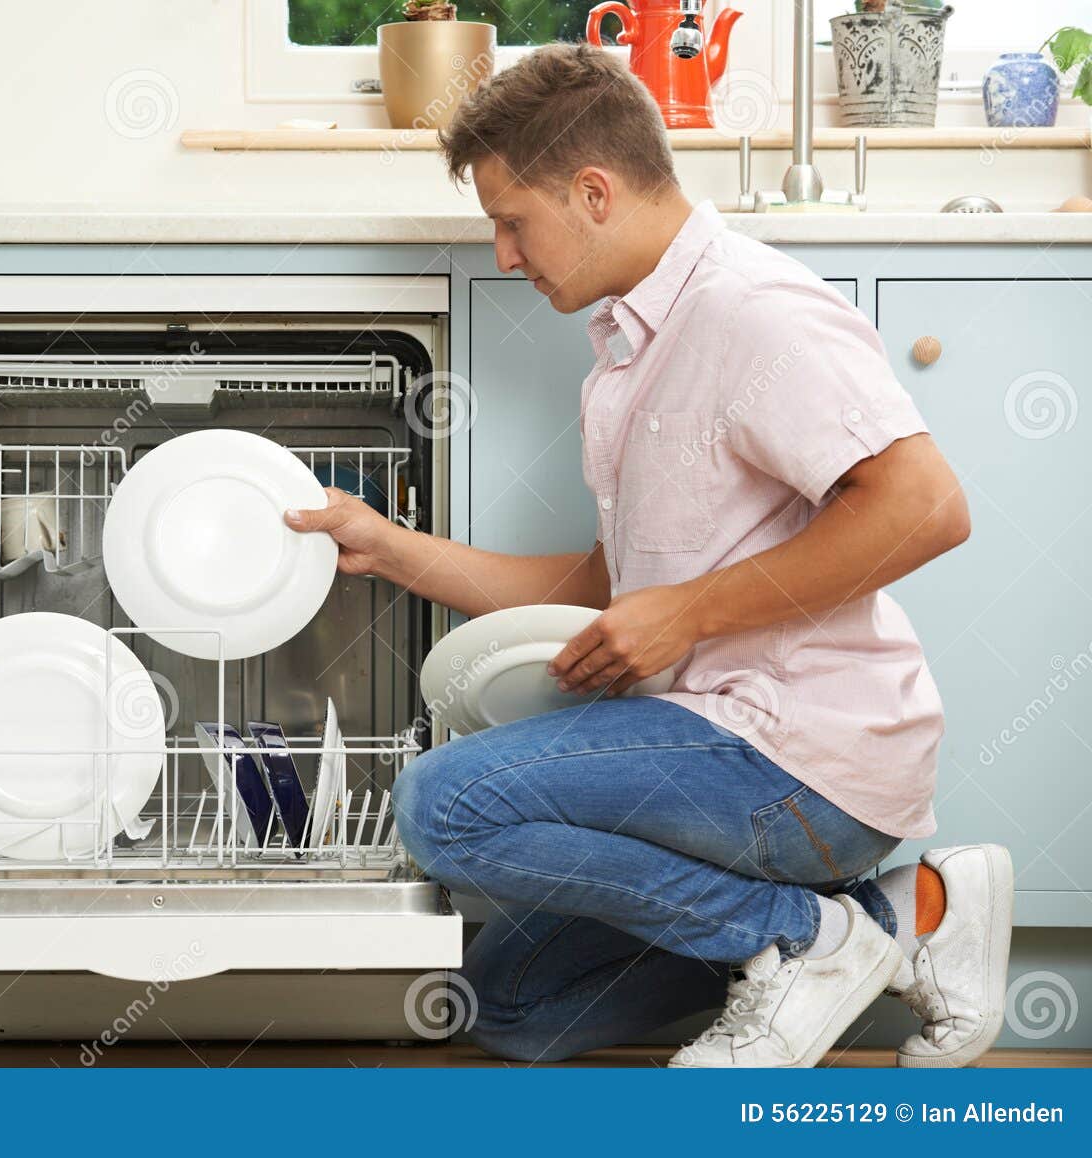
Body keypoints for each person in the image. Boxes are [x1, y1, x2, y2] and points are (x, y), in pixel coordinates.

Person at [283, 43, 1012, 1068]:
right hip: (700, 746)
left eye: (510, 221)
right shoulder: (627, 354)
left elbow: (927, 508)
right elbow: (603, 589)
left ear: (591, 191)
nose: (501, 254)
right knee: (516, 1006)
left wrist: (689, 615)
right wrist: (392, 550)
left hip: (795, 757)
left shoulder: (749, 310)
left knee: (442, 804)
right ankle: (904, 916)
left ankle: (805, 938)